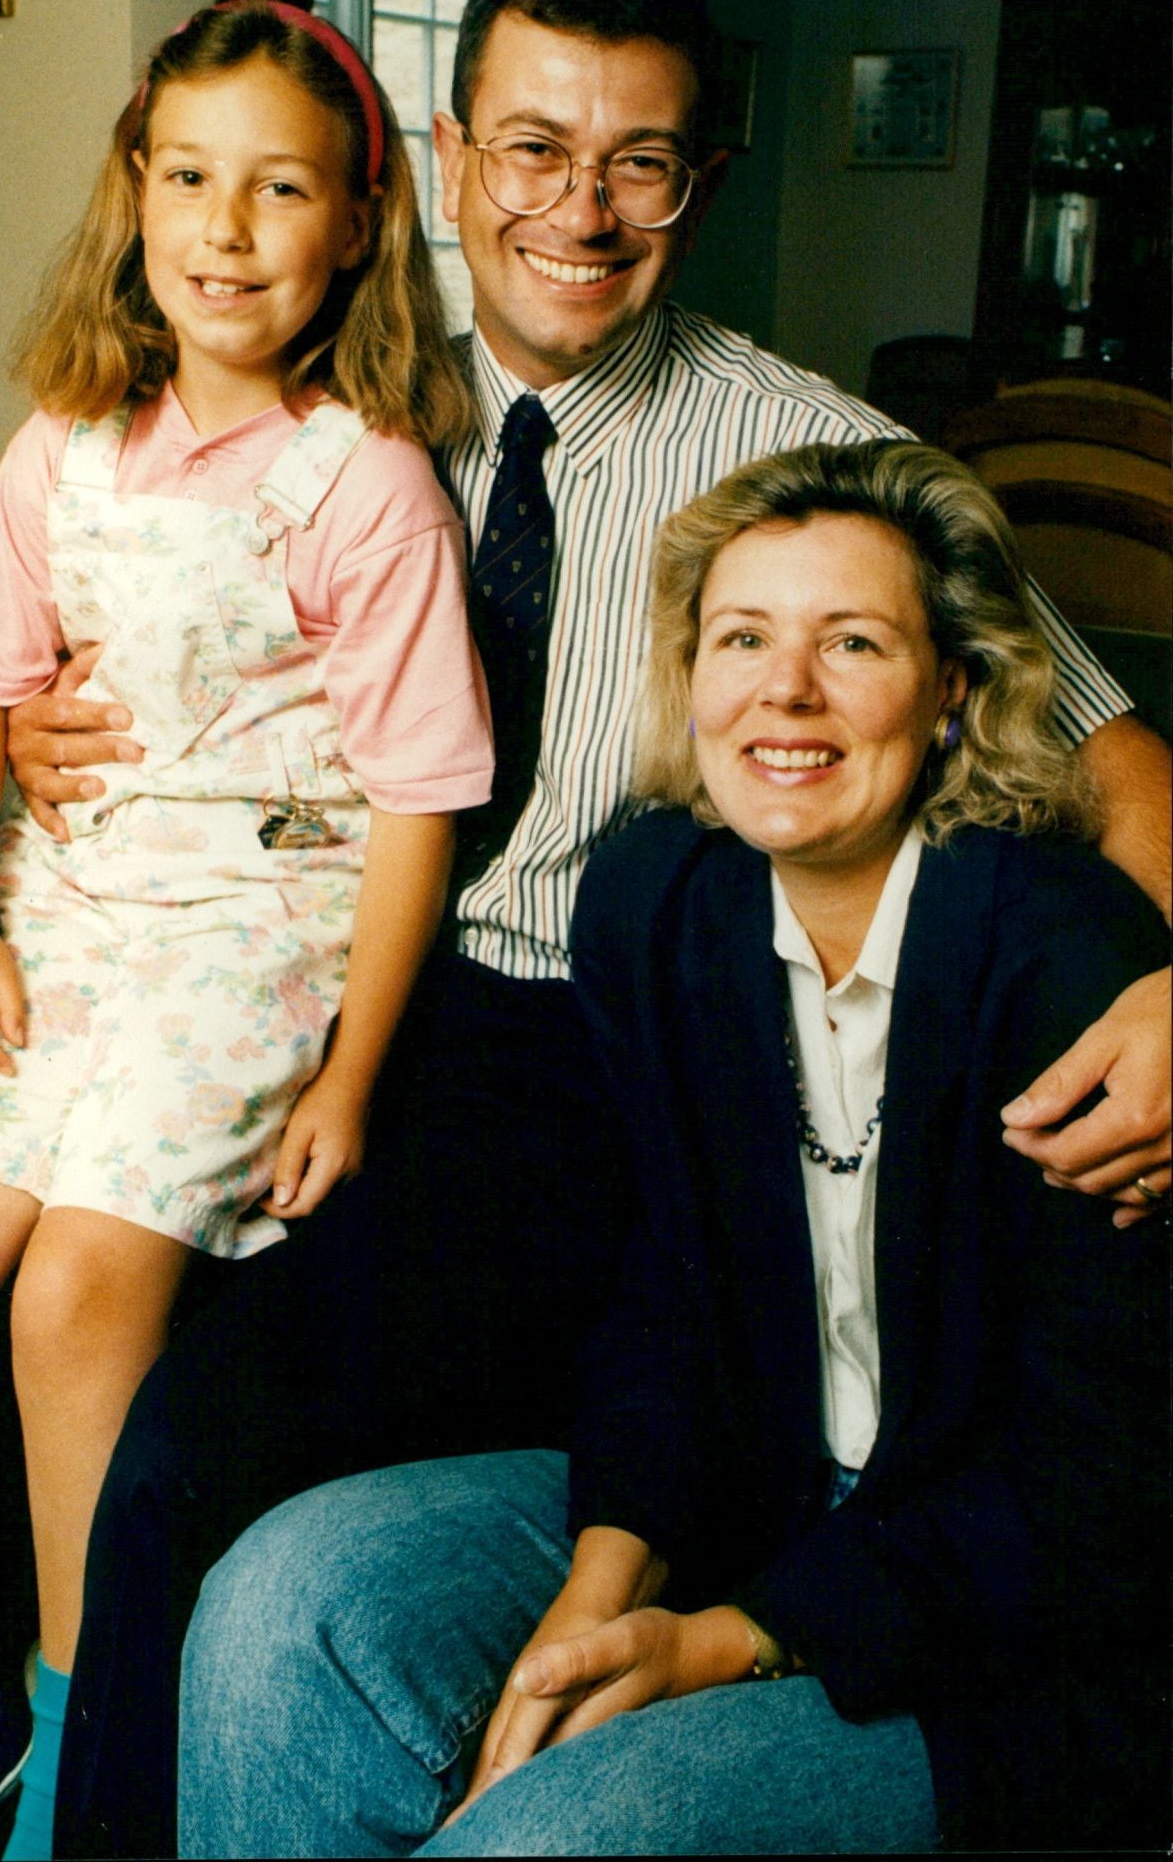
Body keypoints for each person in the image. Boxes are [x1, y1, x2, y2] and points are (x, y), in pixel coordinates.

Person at [19, 0, 1171, 1857]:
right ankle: (39, 1741)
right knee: (14, 1263)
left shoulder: (813, 455)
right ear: (450, 154)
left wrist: (1168, 995)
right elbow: (114, 612)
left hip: (582, 1033)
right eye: (535, 147)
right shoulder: (324, 401)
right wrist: (58, 728)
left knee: (205, 1449)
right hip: (288, 970)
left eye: (640, 161)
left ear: (698, 188)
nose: (579, 207)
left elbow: (1119, 758)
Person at [178, 438, 1170, 1857]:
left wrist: (723, 1641)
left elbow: (1105, 1487)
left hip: (1014, 1630)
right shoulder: (661, 900)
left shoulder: (1072, 966)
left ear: (953, 692)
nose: (787, 690)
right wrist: (606, 1580)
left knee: (556, 1834)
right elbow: (664, 1301)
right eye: (744, 637)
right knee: (290, 1603)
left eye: (856, 643)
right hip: (747, 1500)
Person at [0, 0, 491, 1862]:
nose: (225, 226)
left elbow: (423, 800)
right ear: (133, 194)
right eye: (187, 178)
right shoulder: (65, 445)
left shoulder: (367, 482)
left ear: (354, 225)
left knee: (78, 1286)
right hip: (64, 901)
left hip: (260, 928)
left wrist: (353, 1070)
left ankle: (72, 1727)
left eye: (280, 190)